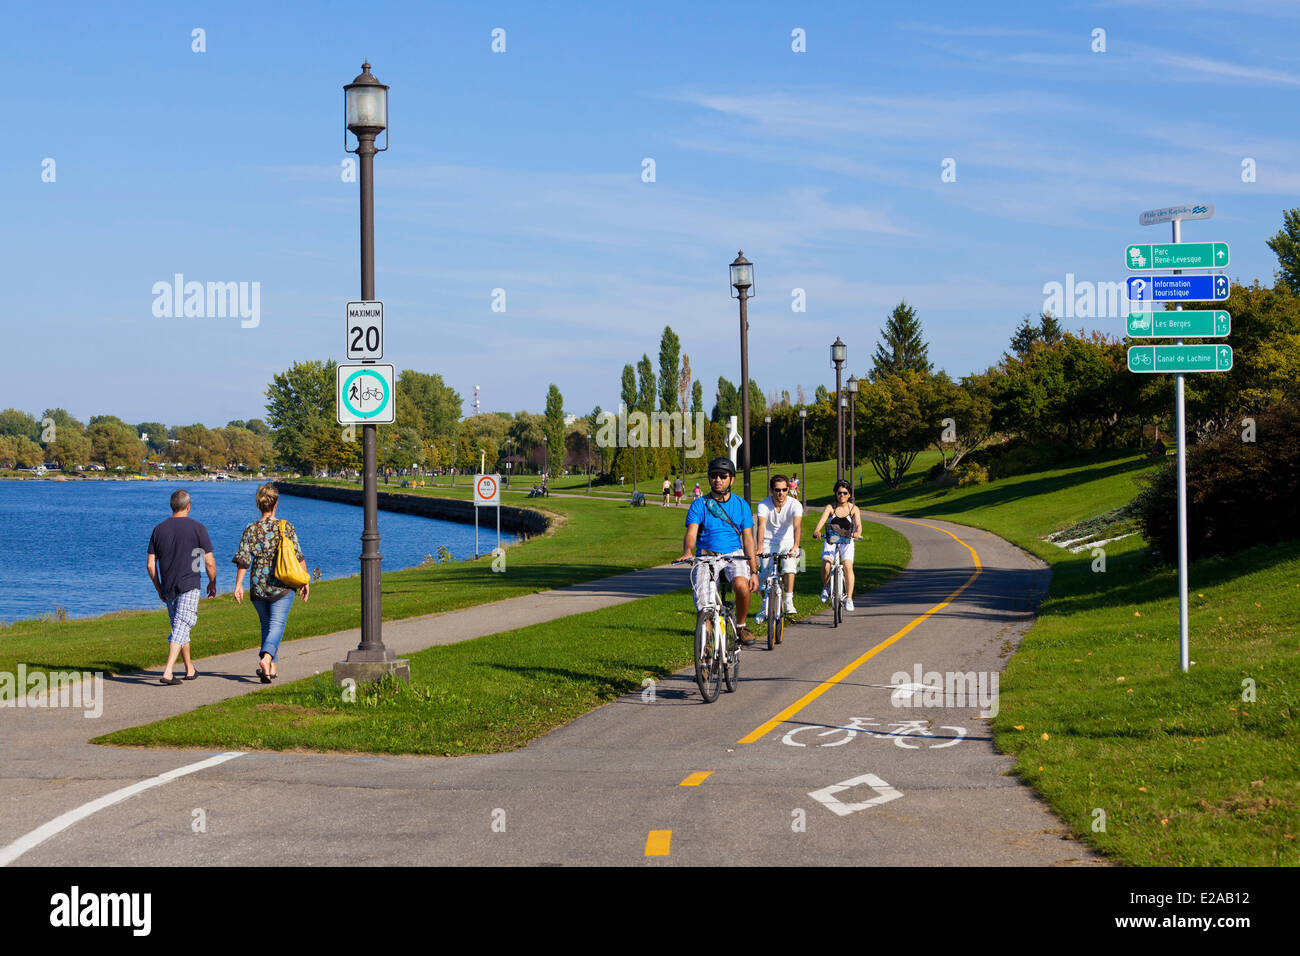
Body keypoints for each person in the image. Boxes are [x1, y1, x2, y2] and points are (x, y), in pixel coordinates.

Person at [232, 483, 309, 682]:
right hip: (281, 585)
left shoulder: (250, 529)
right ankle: (266, 659)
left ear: (259, 505)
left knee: (267, 626)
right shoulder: (285, 527)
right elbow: (298, 556)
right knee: (277, 625)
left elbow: (243, 560)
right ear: (275, 505)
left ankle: (270, 670)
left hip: (257, 585)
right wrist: (304, 580)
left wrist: (238, 585)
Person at [677, 457, 759, 645]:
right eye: (714, 476)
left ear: (732, 479)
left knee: (741, 585)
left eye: (723, 476)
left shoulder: (740, 505)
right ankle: (704, 654)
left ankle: (740, 626)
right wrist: (688, 550)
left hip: (733, 553)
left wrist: (753, 570)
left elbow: (748, 539)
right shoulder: (699, 505)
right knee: (704, 607)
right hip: (706, 555)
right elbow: (691, 532)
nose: (718, 479)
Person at [147, 489, 216, 684]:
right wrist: (212, 582)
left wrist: (158, 586)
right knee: (182, 624)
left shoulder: (158, 529)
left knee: (180, 625)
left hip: (168, 586)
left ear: (172, 506)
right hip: (190, 583)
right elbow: (208, 561)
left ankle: (189, 669)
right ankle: (168, 671)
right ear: (188, 506)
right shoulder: (198, 528)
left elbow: (150, 565)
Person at [753, 474, 803, 625]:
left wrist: (795, 546)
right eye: (777, 490)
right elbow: (761, 526)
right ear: (771, 490)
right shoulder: (763, 505)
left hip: (788, 541)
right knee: (764, 575)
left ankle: (788, 600)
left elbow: (797, 526)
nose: (781, 493)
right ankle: (764, 606)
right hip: (768, 541)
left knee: (789, 567)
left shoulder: (795, 505)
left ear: (788, 489)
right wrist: (760, 547)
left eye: (784, 489)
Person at [812, 478, 863, 612]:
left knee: (847, 565)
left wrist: (857, 532)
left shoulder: (853, 508)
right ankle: (826, 586)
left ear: (849, 494)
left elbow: (858, 524)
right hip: (831, 539)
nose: (842, 495)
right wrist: (817, 530)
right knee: (826, 564)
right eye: (839, 493)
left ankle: (849, 599)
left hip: (847, 540)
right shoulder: (831, 508)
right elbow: (823, 520)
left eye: (845, 493)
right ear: (835, 493)